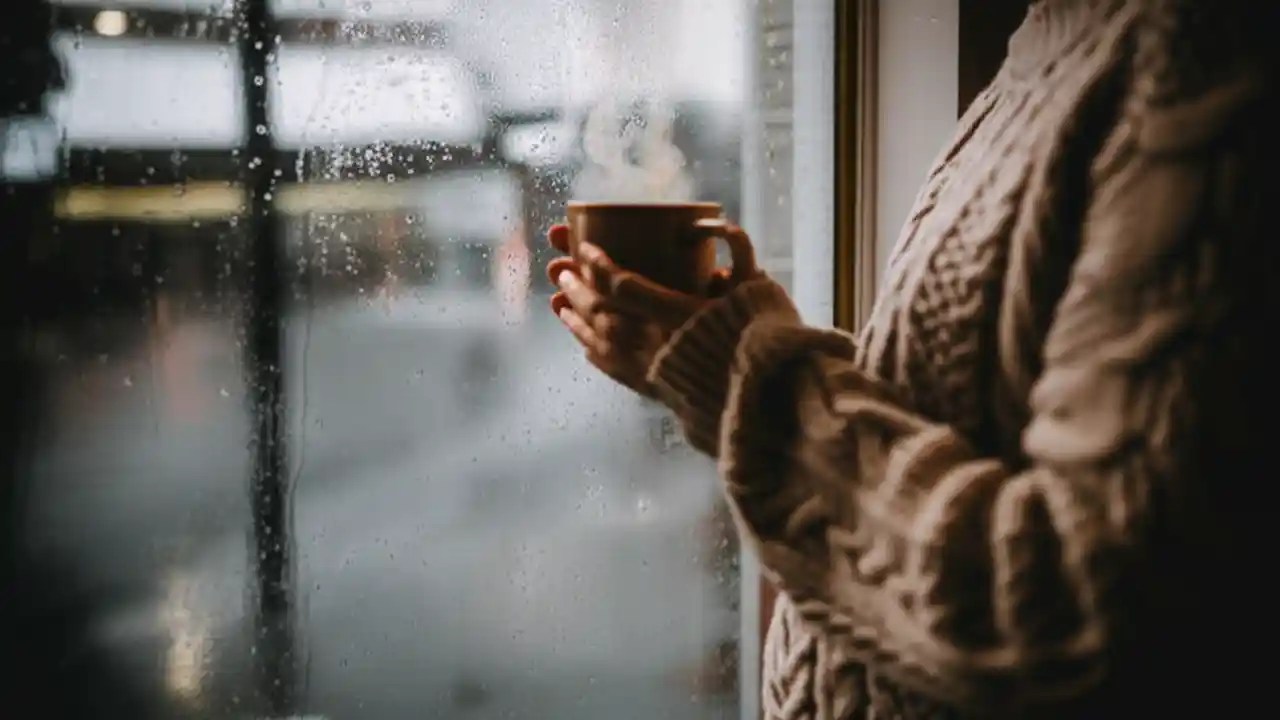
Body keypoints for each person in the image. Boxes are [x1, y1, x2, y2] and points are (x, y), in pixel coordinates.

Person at [546, 1, 1277, 717]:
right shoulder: (1047, 47)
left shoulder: (1190, 59)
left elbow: (1079, 605)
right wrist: (748, 343)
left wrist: (743, 375)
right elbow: (968, 401)